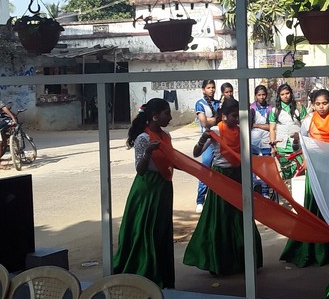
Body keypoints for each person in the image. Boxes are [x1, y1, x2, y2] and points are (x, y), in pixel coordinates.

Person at [184, 98, 263, 276]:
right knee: (220, 218)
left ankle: (244, 260)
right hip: (221, 177)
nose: (237, 119)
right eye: (234, 116)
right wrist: (203, 138)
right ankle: (219, 261)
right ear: (224, 115)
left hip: (238, 176)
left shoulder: (242, 131)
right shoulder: (215, 131)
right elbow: (196, 153)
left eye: (238, 116)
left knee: (240, 217)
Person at [280, 89, 329, 267]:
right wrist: (297, 143)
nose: (321, 107)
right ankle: (314, 249)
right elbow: (302, 144)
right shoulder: (308, 122)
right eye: (317, 104)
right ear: (312, 105)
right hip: (315, 170)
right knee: (315, 206)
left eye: (325, 103)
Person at [112, 98, 176, 288]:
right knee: (145, 229)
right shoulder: (143, 138)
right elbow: (140, 170)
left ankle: (162, 274)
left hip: (164, 187)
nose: (170, 117)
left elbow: (173, 160)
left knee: (161, 230)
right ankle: (144, 272)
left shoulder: (166, 136)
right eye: (166, 113)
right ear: (155, 116)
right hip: (147, 189)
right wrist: (148, 153)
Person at [269, 83, 305, 180]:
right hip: (281, 146)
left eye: (287, 93)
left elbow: (305, 126)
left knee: (299, 172)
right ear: (279, 96)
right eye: (282, 94)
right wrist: (273, 146)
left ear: (291, 93)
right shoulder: (275, 110)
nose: (285, 96)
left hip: (297, 146)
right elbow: (272, 129)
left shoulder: (299, 107)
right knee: (284, 172)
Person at [194, 79, 220, 212]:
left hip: (220, 139)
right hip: (208, 140)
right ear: (203, 89)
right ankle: (200, 200)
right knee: (205, 168)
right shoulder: (200, 104)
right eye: (209, 87)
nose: (211, 90)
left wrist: (211, 120)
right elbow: (204, 123)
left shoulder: (218, 103)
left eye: (213, 87)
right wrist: (216, 119)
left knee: (219, 170)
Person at [249, 85, 273, 198]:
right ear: (255, 95)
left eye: (263, 95)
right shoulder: (251, 108)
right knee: (254, 167)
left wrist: (257, 125)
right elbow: (248, 125)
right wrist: (264, 126)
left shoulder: (270, 108)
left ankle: (265, 192)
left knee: (265, 167)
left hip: (266, 140)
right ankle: (254, 191)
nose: (261, 97)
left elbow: (271, 126)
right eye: (259, 95)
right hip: (254, 141)